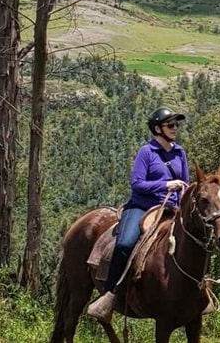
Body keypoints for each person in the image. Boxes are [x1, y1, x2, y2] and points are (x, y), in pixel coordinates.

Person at [87, 107, 191, 323]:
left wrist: (183, 194)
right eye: (170, 125)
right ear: (157, 128)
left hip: (172, 209)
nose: (175, 128)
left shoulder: (179, 152)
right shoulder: (147, 152)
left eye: (176, 125)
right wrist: (166, 184)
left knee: (194, 242)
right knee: (125, 244)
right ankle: (110, 294)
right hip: (143, 208)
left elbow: (186, 184)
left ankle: (199, 293)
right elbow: (137, 184)